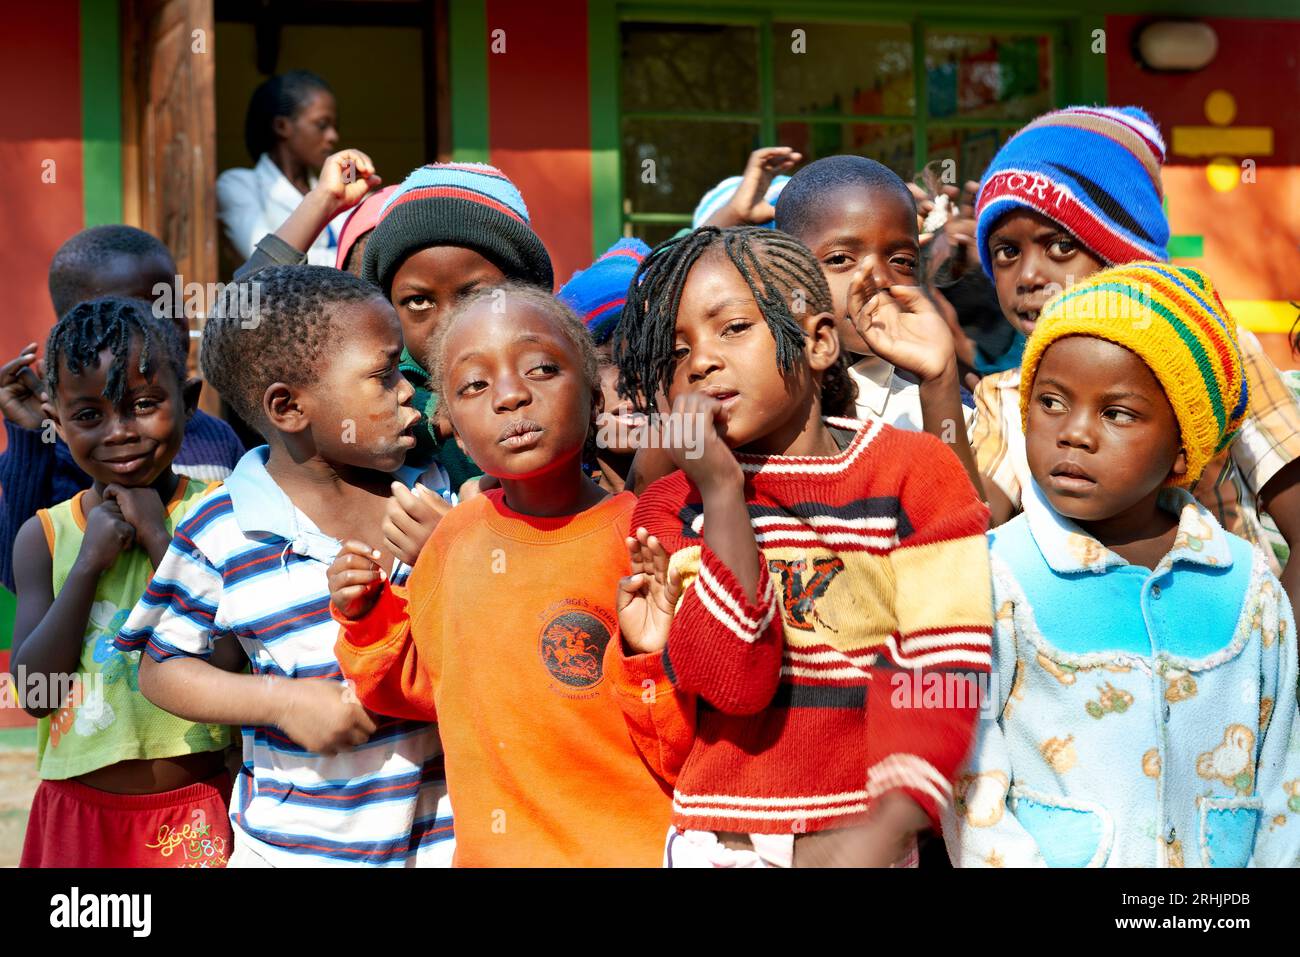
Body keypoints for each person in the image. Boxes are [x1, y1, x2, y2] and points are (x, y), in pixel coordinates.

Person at [607, 226, 992, 867]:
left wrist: (885, 833)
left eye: (732, 328)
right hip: (722, 844)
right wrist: (725, 496)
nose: (701, 361)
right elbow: (736, 682)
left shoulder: (913, 472)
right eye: (679, 352)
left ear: (816, 342)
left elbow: (943, 671)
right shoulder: (674, 504)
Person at [944, 263, 1300, 868]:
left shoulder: (1247, 588)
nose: (1074, 434)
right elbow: (969, 779)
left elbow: (1283, 782)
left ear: (1184, 447)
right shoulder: (997, 576)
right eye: (1051, 402)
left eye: (1116, 414)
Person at [116, 266, 454, 868]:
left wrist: (450, 554)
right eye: (382, 376)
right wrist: (283, 702)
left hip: (441, 843)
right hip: (292, 851)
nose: (408, 390)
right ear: (288, 406)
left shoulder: (431, 500)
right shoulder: (223, 527)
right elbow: (161, 669)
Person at [329, 285, 676, 867]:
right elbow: (429, 686)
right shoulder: (453, 541)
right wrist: (367, 617)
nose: (512, 396)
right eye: (475, 385)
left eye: (541, 369)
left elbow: (686, 732)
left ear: (594, 397)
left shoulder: (641, 539)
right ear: (456, 431)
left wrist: (649, 659)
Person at [968, 105, 1300, 615]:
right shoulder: (1005, 395)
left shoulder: (1221, 355)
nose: (1028, 275)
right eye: (1006, 251)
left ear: (1127, 253)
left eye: (1059, 245)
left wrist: (1278, 669)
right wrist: (939, 381)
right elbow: (967, 533)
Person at [9, 298, 235, 867]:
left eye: (143, 404)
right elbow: (35, 696)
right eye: (89, 416)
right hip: (78, 820)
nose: (120, 433)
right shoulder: (45, 539)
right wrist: (87, 566)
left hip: (195, 810)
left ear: (187, 403)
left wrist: (163, 541)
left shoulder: (220, 518)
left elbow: (235, 664)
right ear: (55, 424)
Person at [0, 225, 244, 592]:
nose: (171, 324)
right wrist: (33, 441)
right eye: (132, 314)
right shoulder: (66, 450)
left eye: (170, 305)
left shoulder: (217, 436)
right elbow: (18, 578)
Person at [774, 156, 982, 492]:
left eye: (901, 261)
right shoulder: (759, 393)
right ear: (784, 276)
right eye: (840, 259)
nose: (876, 280)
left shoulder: (940, 405)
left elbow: (965, 529)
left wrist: (939, 382)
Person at [361, 162, 555, 495]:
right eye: (419, 302)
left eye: (476, 297)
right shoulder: (387, 383)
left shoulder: (552, 371)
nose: (450, 325)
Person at [216, 71, 349, 267]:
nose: (333, 136)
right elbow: (266, 263)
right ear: (281, 126)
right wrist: (345, 260)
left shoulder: (339, 186)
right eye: (322, 125)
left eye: (335, 126)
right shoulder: (237, 185)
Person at [556, 237, 651, 493]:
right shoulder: (552, 514)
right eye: (607, 361)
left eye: (648, 359)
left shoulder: (715, 502)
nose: (630, 380)